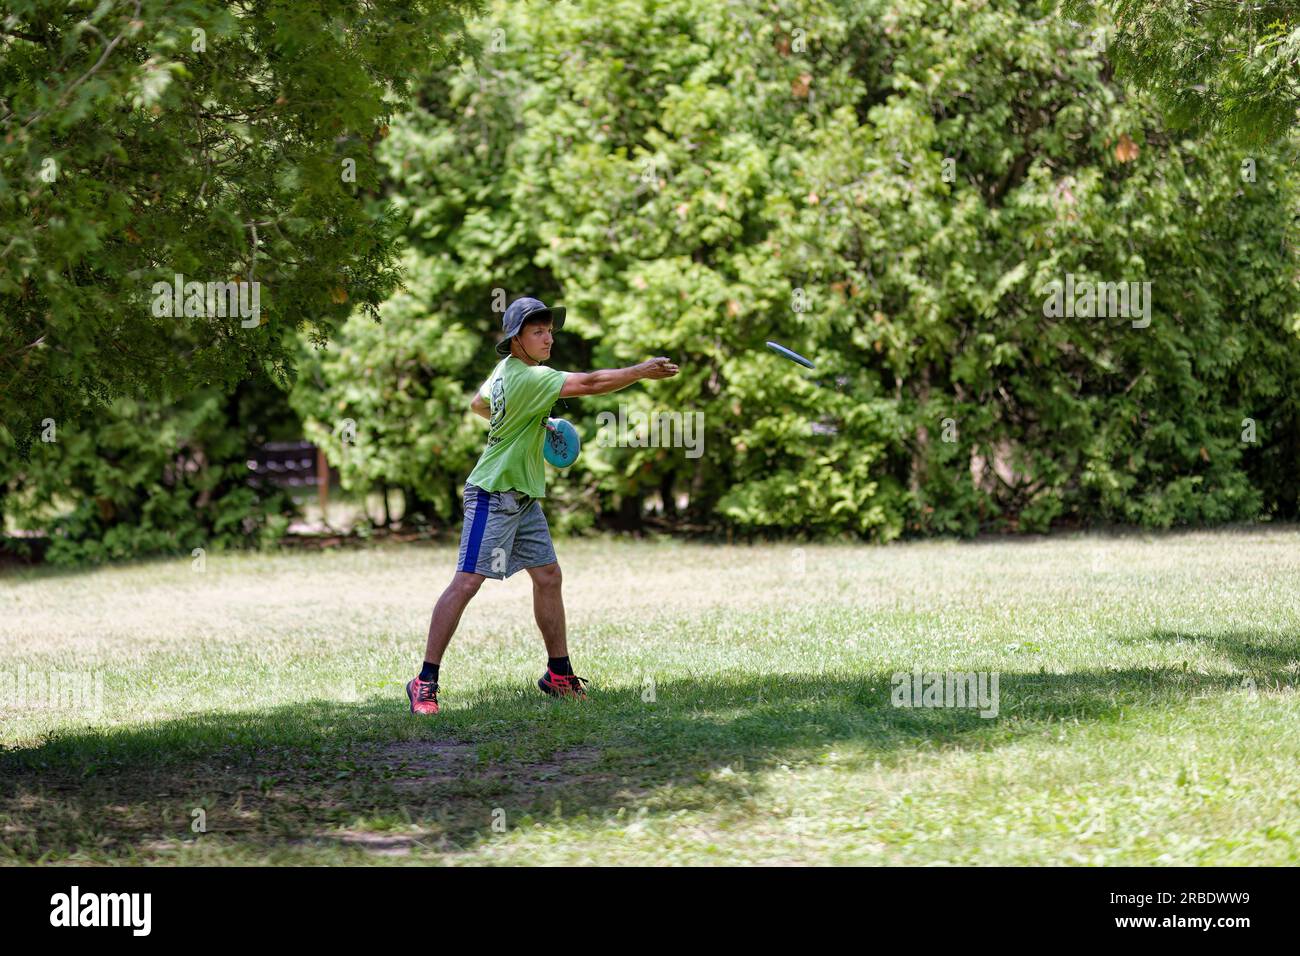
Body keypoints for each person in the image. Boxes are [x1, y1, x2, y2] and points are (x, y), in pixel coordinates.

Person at [406, 296, 679, 714]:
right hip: (492, 493)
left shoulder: (505, 374)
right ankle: (424, 681)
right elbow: (589, 384)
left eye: (550, 330)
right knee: (466, 583)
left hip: (524, 494)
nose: (548, 337)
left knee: (548, 576)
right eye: (538, 331)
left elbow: (478, 405)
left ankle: (558, 674)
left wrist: (529, 420)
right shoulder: (528, 378)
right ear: (517, 338)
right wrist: (641, 371)